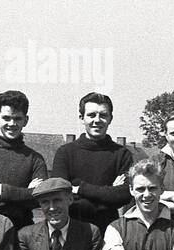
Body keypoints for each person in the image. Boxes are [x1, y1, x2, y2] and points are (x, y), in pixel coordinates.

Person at [50, 91, 133, 231]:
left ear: (110, 118)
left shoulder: (122, 154)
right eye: (91, 115)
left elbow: (124, 195)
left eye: (103, 115)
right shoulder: (65, 153)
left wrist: (79, 189)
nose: (97, 120)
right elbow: (60, 194)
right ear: (81, 118)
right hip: (71, 230)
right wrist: (108, 196)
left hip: (108, 231)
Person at [0, 89, 48, 232]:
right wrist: (26, 193)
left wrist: (4, 192)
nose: (12, 124)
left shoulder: (35, 159)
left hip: (23, 232)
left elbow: (40, 198)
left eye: (17, 118)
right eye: (6, 118)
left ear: (26, 120)